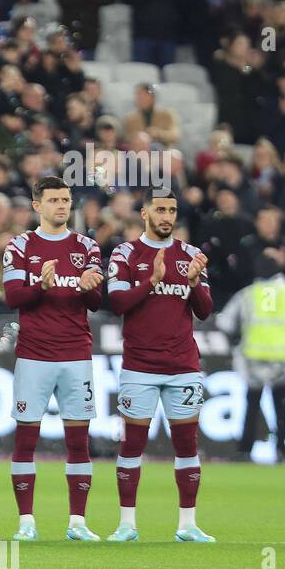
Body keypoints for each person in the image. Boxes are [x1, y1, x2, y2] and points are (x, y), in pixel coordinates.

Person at [106, 190, 215, 542]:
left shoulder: (191, 256)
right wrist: (151, 281)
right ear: (145, 213)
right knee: (131, 446)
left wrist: (195, 283)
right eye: (160, 209)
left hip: (183, 365)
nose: (167, 216)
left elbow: (204, 310)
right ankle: (127, 524)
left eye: (172, 210)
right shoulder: (125, 253)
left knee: (187, 446)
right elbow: (118, 302)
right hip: (139, 366)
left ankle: (188, 525)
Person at [1, 176, 105, 541]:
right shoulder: (20, 246)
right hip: (34, 356)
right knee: (25, 440)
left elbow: (95, 302)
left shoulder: (88, 247)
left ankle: (77, 522)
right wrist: (41, 286)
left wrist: (91, 288)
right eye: (54, 200)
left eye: (66, 199)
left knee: (79, 441)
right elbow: (13, 298)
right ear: (37, 205)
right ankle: (26, 521)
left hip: (76, 354)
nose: (62, 205)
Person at [217, 258, 285, 461]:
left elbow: (225, 323)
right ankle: (282, 450)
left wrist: (236, 343)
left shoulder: (248, 294)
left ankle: (245, 450)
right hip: (283, 359)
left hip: (253, 359)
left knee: (251, 407)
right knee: (281, 408)